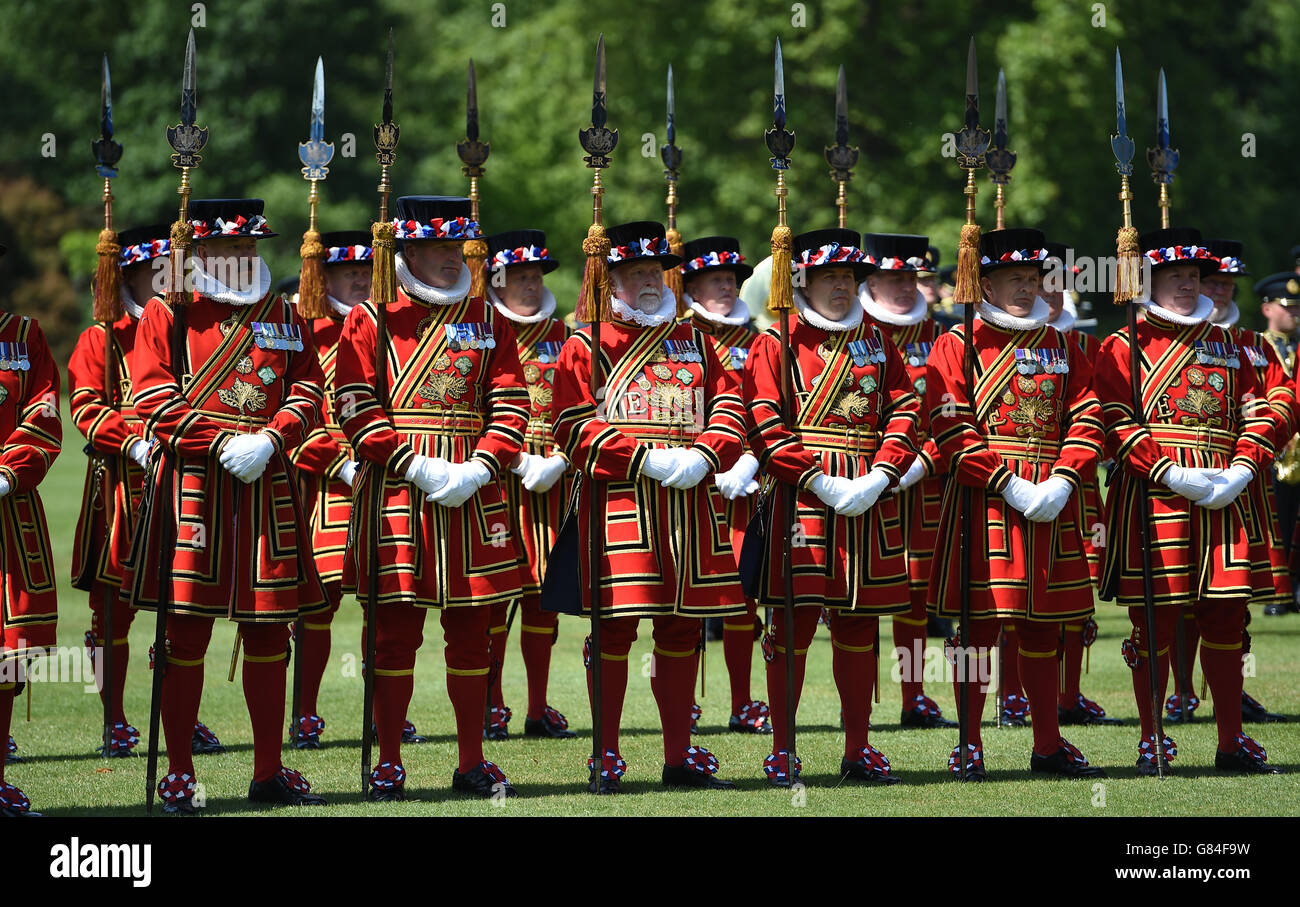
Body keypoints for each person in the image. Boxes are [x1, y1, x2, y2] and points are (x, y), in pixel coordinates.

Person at [121, 199, 330, 812]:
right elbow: (151, 397)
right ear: (198, 252)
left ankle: (269, 771)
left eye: (249, 248)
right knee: (184, 633)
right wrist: (218, 442)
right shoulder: (169, 309)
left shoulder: (282, 311)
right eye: (228, 250)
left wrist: (271, 437)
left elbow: (309, 386)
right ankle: (180, 775)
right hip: (195, 487)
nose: (242, 258)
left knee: (269, 630)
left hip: (267, 483)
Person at [335, 196, 529, 800]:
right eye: (439, 250)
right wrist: (411, 463)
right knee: (393, 629)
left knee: (474, 629)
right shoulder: (368, 317)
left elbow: (511, 398)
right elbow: (353, 404)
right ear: (407, 253)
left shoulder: (487, 318)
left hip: (472, 485)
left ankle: (471, 760)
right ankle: (388, 761)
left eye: (459, 249)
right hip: (399, 483)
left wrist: (482, 466)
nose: (454, 260)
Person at [550, 220, 749, 793]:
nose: (646, 281)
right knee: (614, 630)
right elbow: (570, 425)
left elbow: (732, 405)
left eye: (653, 270)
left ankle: (678, 755)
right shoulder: (586, 344)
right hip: (622, 501)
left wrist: (706, 455)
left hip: (691, 501)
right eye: (632, 271)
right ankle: (605, 755)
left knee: (682, 629)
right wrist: (647, 459)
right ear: (608, 278)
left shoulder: (694, 338)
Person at [1097, 226, 1281, 775]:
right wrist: (1167, 470)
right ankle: (1152, 738)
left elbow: (1262, 407)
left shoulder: (1231, 344)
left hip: (1227, 493)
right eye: (1174, 275)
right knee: (1152, 623)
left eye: (1194, 276)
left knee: (1228, 618)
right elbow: (1112, 416)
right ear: (1149, 280)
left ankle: (1231, 740)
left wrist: (1247, 462)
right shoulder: (1122, 343)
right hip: (1154, 496)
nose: (1186, 285)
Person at [926, 227, 1106, 781]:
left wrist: (1064, 479)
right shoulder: (956, 343)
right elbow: (948, 423)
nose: (1027, 289)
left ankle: (1047, 746)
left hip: (1053, 493)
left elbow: (1088, 414)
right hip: (987, 497)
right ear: (987, 283)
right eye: (1014, 279)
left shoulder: (1064, 345)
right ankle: (970, 744)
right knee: (979, 625)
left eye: (1033, 279)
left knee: (1044, 628)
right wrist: (1006, 481)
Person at [745, 228, 917, 786]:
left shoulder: (877, 339)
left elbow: (905, 405)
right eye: (829, 277)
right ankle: (782, 750)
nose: (841, 287)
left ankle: (858, 748)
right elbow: (766, 423)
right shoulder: (776, 341)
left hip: (868, 491)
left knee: (859, 626)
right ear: (804, 282)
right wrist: (818, 478)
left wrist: (884, 472)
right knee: (789, 626)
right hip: (803, 497)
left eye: (848, 277)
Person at [286, 230, 428, 748]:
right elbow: (291, 411)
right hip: (324, 488)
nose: (359, 281)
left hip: (388, 479)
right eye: (347, 273)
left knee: (384, 602)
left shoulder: (391, 328)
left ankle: (382, 713)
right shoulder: (301, 333)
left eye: (366, 272)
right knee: (316, 603)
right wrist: (338, 464)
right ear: (320, 278)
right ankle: (304, 712)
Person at [857, 232, 955, 729]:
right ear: (869, 281)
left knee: (916, 592)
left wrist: (921, 463)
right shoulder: (854, 331)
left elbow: (957, 413)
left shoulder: (942, 335)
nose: (904, 286)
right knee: (856, 594)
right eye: (892, 277)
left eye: (910, 277)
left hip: (925, 483)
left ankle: (913, 696)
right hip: (856, 481)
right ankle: (855, 703)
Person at [481, 228, 575, 741]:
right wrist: (514, 460)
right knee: (495, 595)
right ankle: (492, 704)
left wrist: (560, 460)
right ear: (496, 281)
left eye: (536, 275)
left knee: (545, 596)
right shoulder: (481, 333)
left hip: (556, 479)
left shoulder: (565, 334)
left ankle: (538, 707)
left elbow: (588, 403)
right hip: (496, 478)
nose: (532, 284)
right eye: (519, 276)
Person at [678, 235, 771, 735]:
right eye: (716, 279)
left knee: (742, 596)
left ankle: (742, 702)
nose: (727, 286)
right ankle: (683, 700)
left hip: (745, 486)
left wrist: (751, 462)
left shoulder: (758, 338)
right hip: (688, 482)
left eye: (733, 279)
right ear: (689, 284)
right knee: (688, 599)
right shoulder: (675, 336)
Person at [1041, 240, 1118, 727]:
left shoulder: (1085, 346)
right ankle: (1013, 697)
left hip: (1080, 490)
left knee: (1073, 601)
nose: (1047, 295)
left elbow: (1105, 417)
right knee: (1008, 597)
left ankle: (1068, 694)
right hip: (1012, 483)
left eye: (1055, 285)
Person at [0, 240, 62, 817]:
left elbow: (43, 414)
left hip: (6, 513)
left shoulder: (23, 336)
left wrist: (5, 473)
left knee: (4, 654)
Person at [1256, 271, 1300, 615]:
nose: (1294, 313)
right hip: (1272, 446)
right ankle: (1276, 590)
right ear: (1267, 308)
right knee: (1276, 522)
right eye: (1287, 307)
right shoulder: (1254, 346)